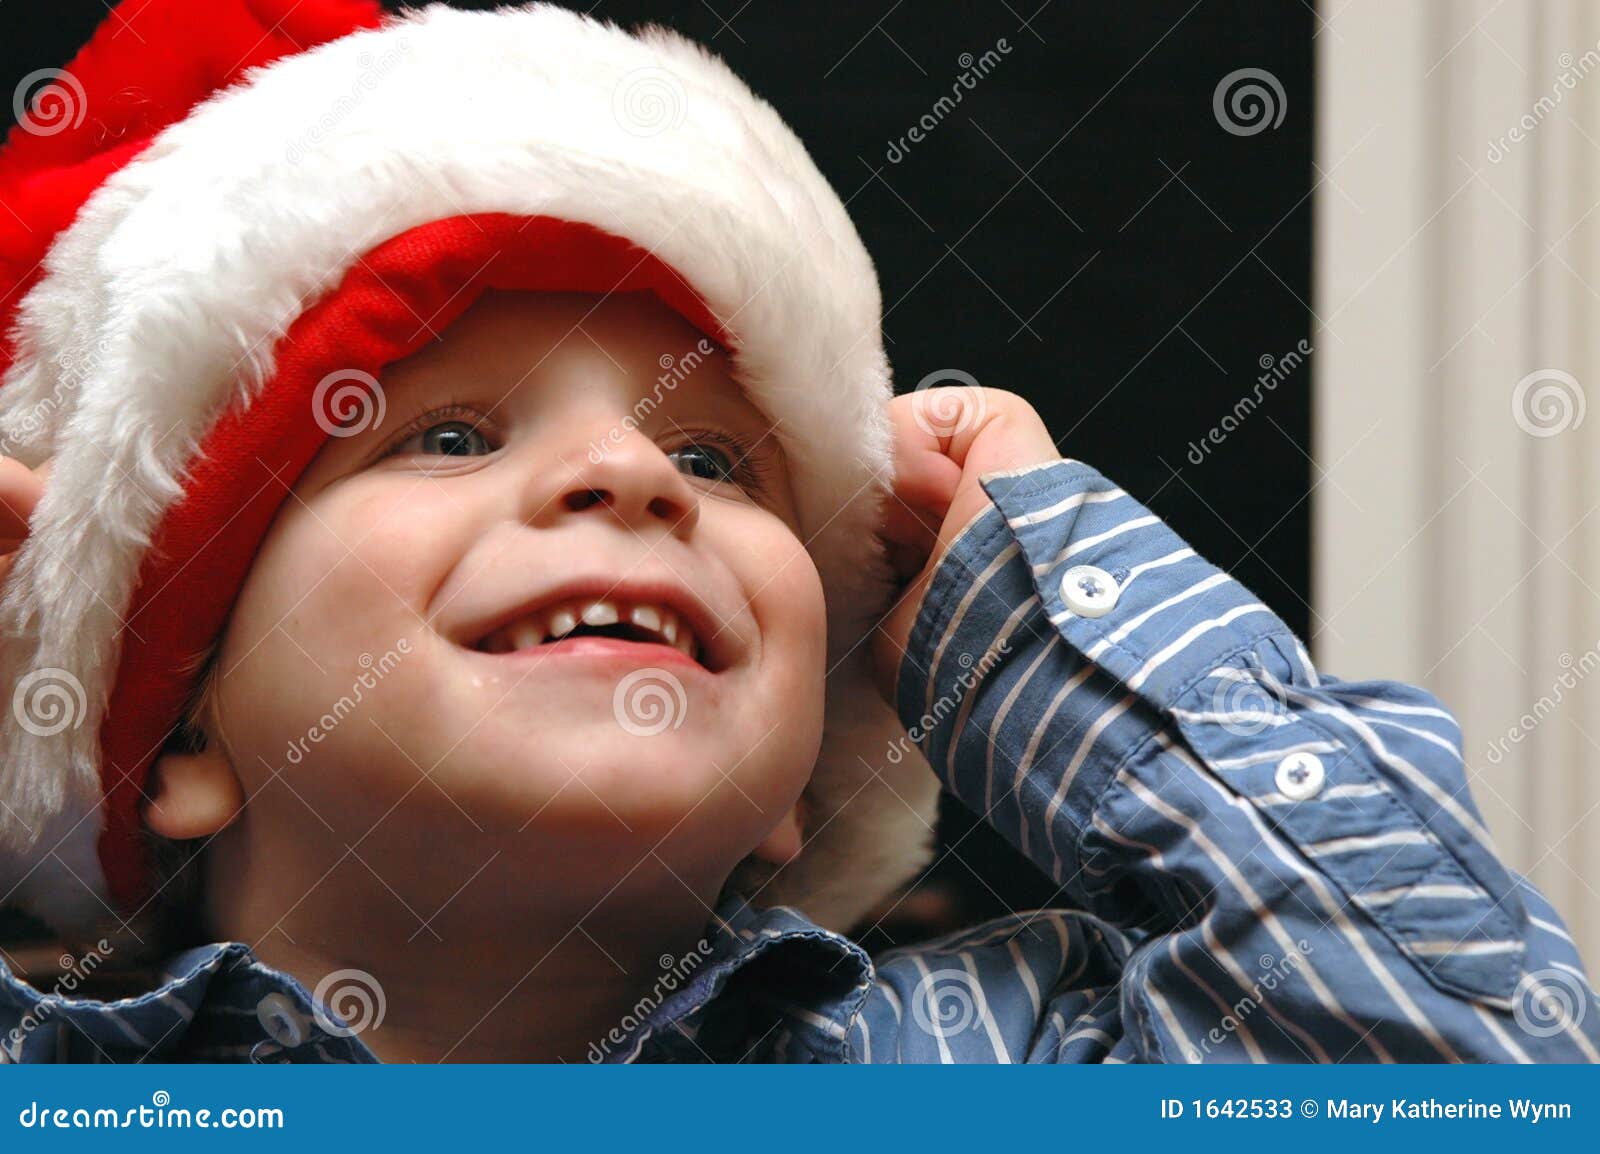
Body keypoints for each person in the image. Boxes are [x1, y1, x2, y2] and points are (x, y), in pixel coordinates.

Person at [0, 0, 1595, 1064]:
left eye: (719, 457)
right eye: (453, 435)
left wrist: (1024, 612)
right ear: (177, 726)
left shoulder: (1008, 1061)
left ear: (798, 793)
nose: (632, 479)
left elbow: (1467, 1049)